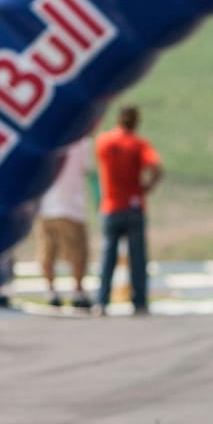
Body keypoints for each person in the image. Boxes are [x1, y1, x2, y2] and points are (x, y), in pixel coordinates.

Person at [94, 104, 163, 315]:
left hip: (111, 206)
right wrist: (147, 187)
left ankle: (102, 302)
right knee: (137, 259)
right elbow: (157, 168)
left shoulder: (104, 141)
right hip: (133, 206)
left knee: (108, 258)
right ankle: (139, 302)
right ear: (136, 122)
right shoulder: (139, 144)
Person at [34, 134, 94, 309]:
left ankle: (51, 291)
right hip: (71, 206)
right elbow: (86, 169)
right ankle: (77, 291)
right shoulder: (81, 142)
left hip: (47, 205)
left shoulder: (46, 139)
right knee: (77, 253)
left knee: (47, 251)